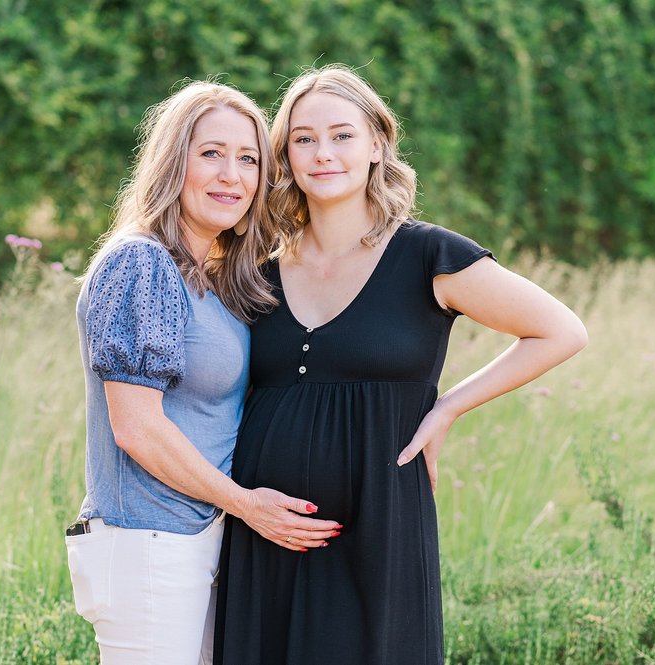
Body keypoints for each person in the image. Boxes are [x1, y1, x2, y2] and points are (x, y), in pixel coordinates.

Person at [213, 65, 588, 664]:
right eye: (303, 139)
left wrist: (448, 408)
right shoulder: (254, 270)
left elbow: (561, 331)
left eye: (342, 135)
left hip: (378, 526)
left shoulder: (429, 255)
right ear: (285, 154)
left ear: (377, 145)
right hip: (265, 532)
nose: (323, 153)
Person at [65, 80, 340, 665]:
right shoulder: (143, 263)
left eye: (248, 160)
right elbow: (136, 427)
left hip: (195, 539)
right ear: (173, 162)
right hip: (148, 545)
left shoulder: (209, 276)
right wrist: (246, 503)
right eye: (211, 153)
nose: (231, 176)